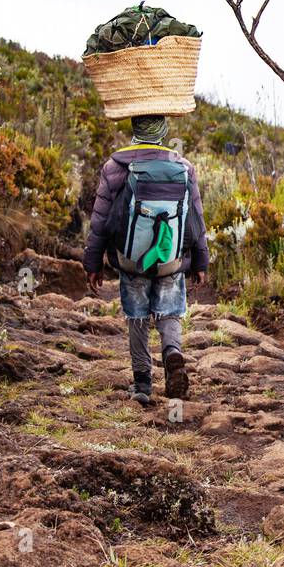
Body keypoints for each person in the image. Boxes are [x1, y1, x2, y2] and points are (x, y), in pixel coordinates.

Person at [83, 115, 208, 406]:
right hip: (171, 259)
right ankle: (172, 353)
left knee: (137, 316)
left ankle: (142, 384)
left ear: (134, 131)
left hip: (131, 259)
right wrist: (201, 261)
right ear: (163, 132)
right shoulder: (183, 167)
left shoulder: (114, 167)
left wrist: (93, 262)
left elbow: (99, 221)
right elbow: (196, 219)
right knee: (169, 313)